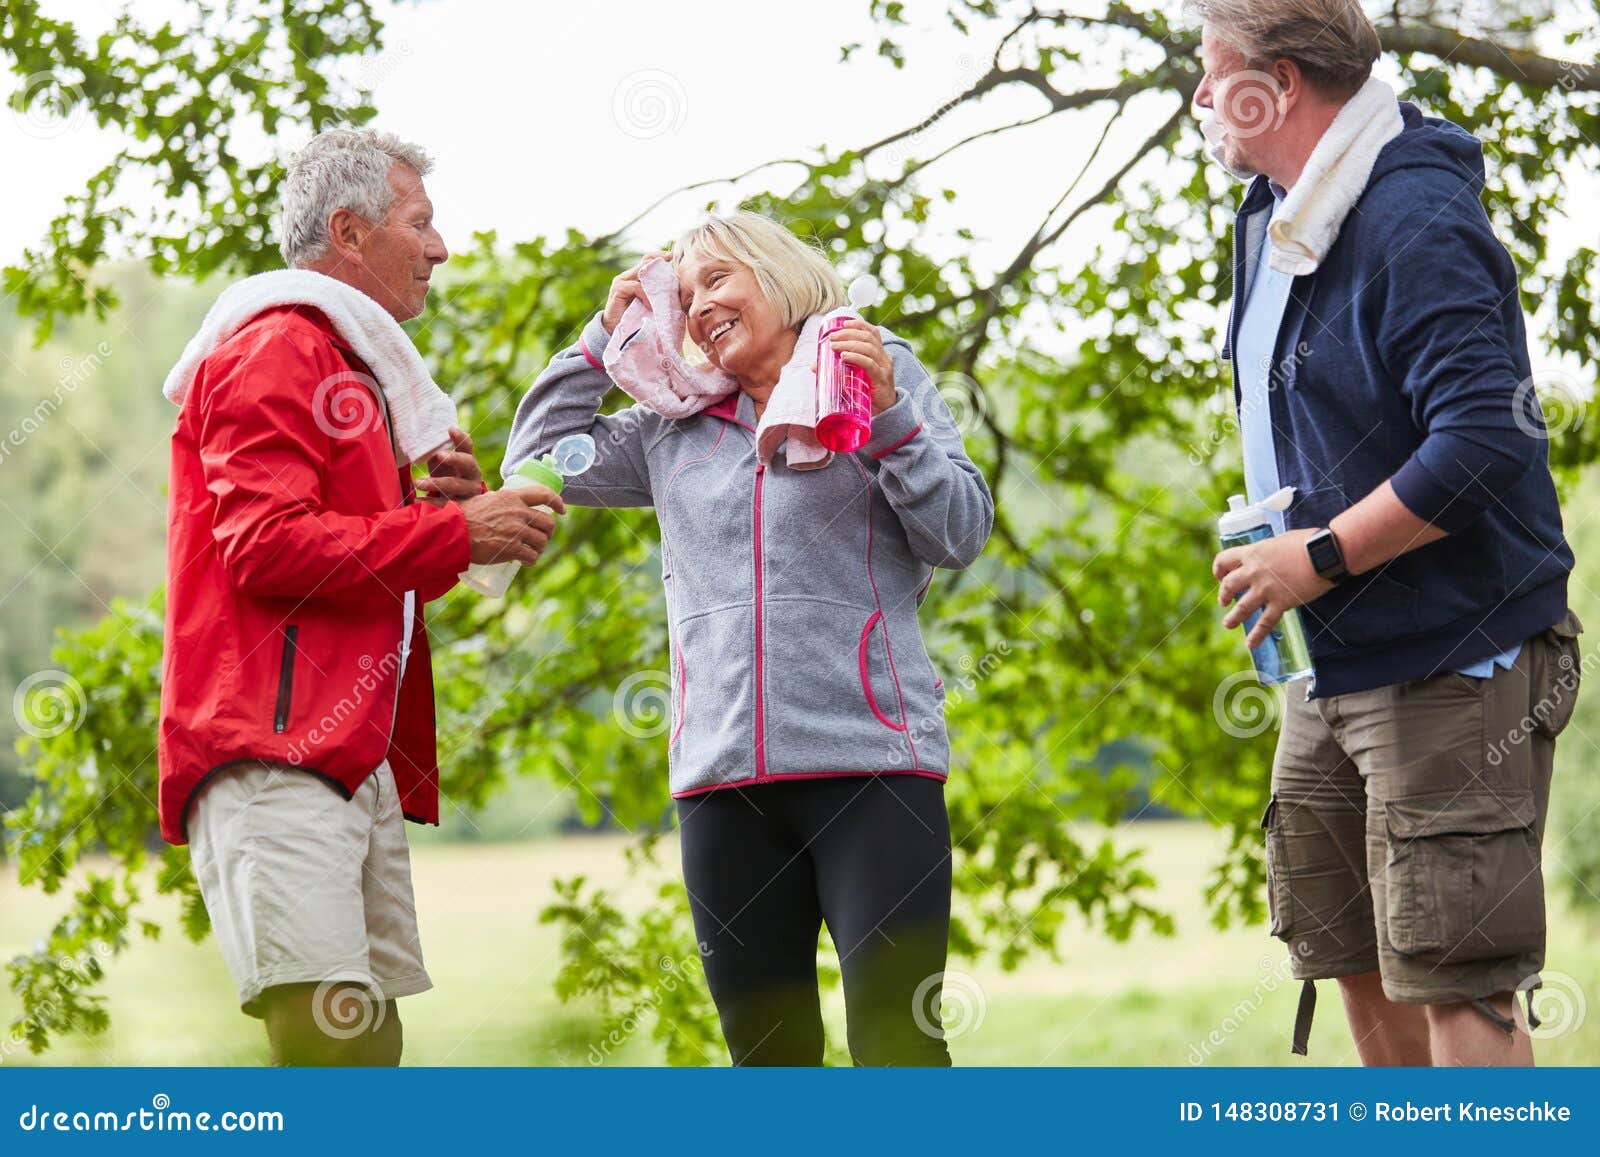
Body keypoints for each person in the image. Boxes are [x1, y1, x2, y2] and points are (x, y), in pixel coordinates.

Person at [506, 211, 994, 1065]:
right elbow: (540, 457)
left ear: (778, 275)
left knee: (899, 1047)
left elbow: (959, 534)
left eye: (718, 281)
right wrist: (598, 342)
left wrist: (889, 422)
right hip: (723, 784)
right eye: (685, 297)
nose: (698, 309)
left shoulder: (876, 372)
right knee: (767, 1061)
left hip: (873, 769)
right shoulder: (670, 424)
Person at [1194, 0, 1580, 1065]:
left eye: (1210, 70)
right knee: (1349, 961)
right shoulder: (1267, 216)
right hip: (1326, 664)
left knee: (1459, 980)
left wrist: (1314, 557)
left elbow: (1482, 445)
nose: (1197, 97)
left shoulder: (1413, 216)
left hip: (1454, 657)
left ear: (1274, 79)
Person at [157, 128, 565, 1065]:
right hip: (275, 757)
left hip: (340, 762)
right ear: (348, 231)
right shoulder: (275, 350)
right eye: (420, 223)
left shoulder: (347, 373)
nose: (441, 248)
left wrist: (446, 523)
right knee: (329, 1061)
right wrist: (455, 535)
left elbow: (340, 576)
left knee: (366, 1058)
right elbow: (266, 548)